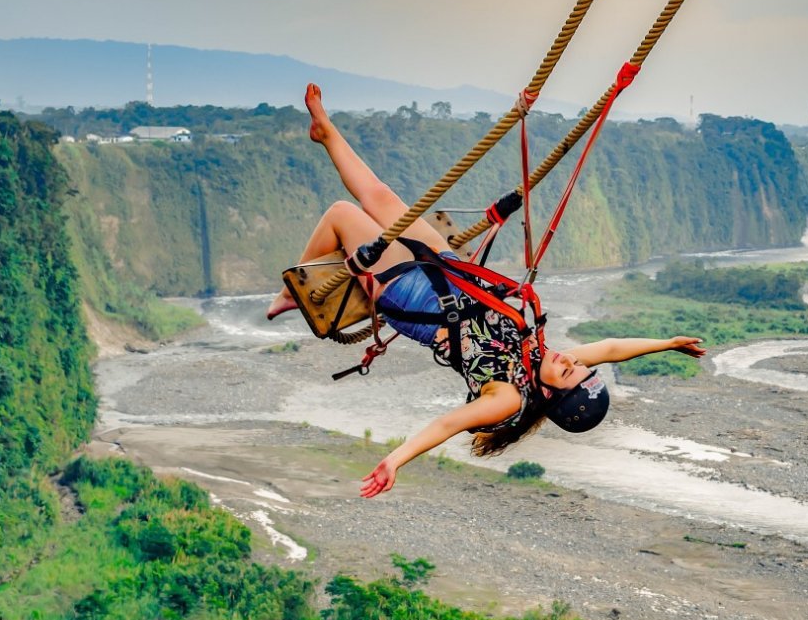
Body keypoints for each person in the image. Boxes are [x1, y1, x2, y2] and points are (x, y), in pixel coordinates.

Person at [267, 84, 706, 499]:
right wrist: (667, 344)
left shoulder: (508, 399)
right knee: (381, 198)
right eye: (577, 365)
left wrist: (394, 460)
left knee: (342, 214)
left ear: (550, 395)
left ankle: (294, 293)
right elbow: (609, 349)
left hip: (415, 299)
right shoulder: (541, 360)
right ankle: (325, 133)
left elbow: (447, 425)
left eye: (570, 372)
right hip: (452, 276)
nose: (570, 360)